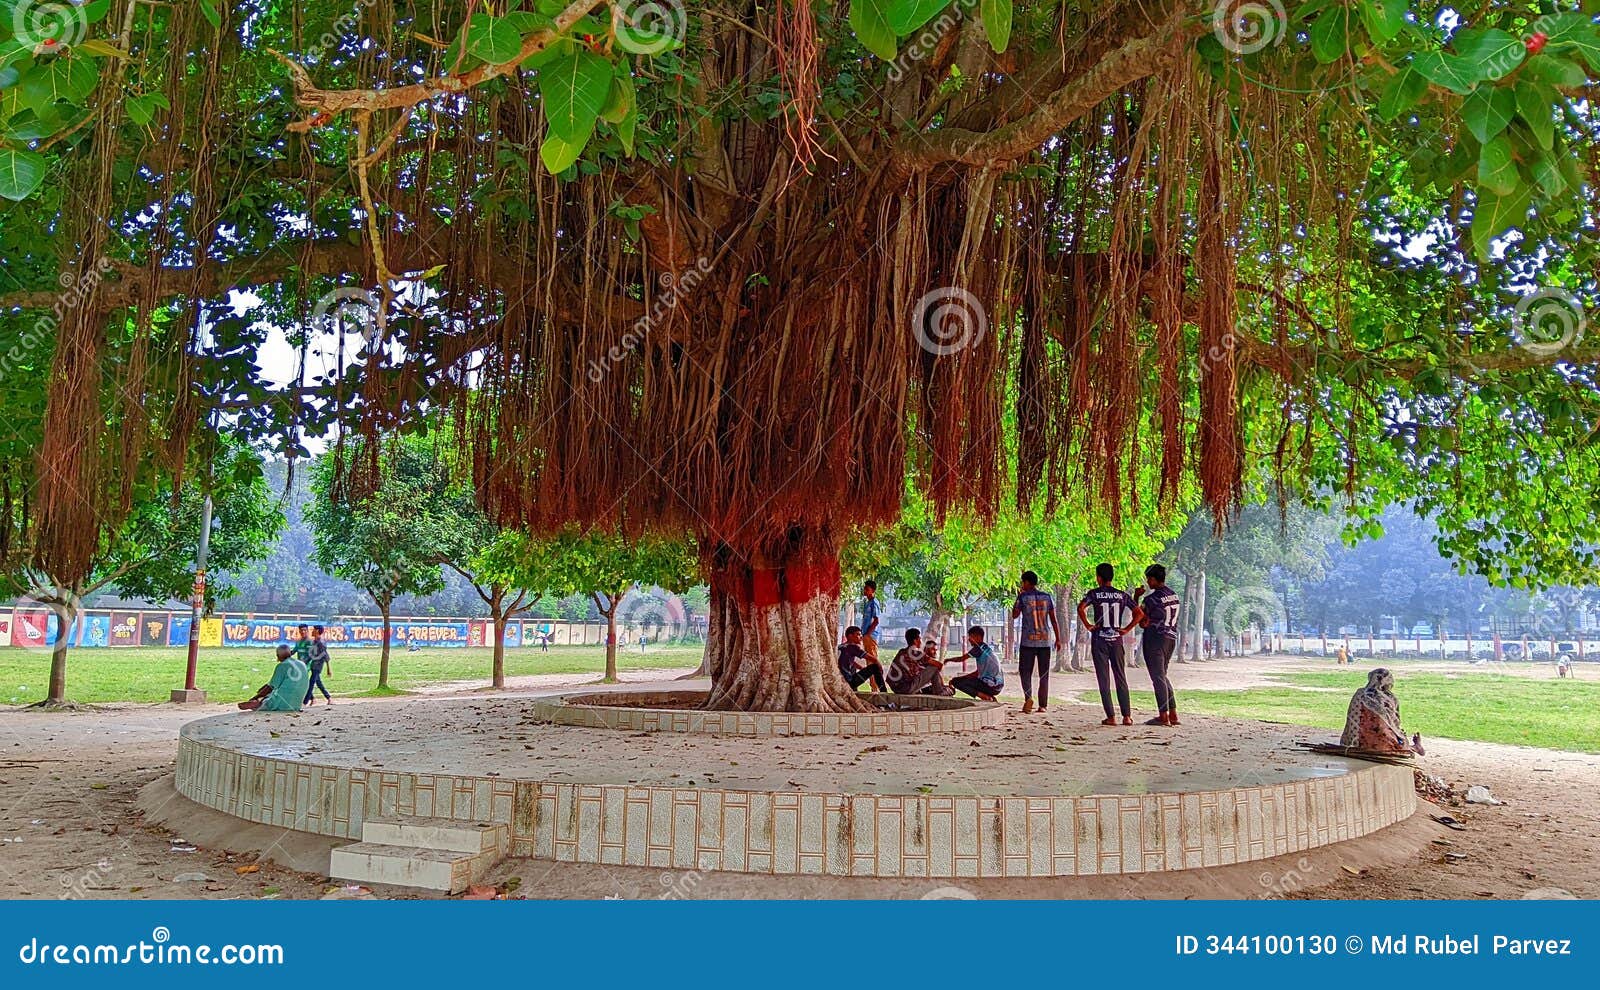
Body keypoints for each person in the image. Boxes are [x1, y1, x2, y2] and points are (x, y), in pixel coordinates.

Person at [1078, 562, 1139, 726]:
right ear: (1111, 577)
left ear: (1098, 577)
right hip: (1116, 640)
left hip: (1100, 640)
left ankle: (1111, 716)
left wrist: (1088, 625)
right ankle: (1127, 716)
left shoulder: (1094, 594)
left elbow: (1081, 607)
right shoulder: (1122, 595)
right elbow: (1138, 613)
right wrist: (1126, 629)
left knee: (1103, 679)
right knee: (1120, 677)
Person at [1134, 564, 1180, 726]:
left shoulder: (1151, 599)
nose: (1147, 582)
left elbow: (1141, 620)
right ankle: (1173, 713)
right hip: (1171, 638)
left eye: (1149, 579)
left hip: (1155, 639)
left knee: (1158, 677)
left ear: (1153, 579)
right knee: (1163, 675)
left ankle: (1163, 715)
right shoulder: (1173, 595)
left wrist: (1136, 597)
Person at [1340, 668, 1424, 755]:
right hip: (1383, 746)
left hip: (1355, 744)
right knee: (1399, 741)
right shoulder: (1389, 698)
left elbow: (1352, 717)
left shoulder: (1360, 693)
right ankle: (1415, 747)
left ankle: (1412, 746)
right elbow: (1395, 723)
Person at [1010, 570, 1060, 714]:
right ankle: (1043, 706)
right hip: (1045, 641)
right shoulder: (1047, 597)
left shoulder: (1023, 597)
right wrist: (1058, 638)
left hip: (1028, 641)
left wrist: (1018, 597)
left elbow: (1014, 615)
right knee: (1044, 674)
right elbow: (1053, 619)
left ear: (1026, 582)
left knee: (1025, 672)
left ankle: (1028, 698)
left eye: (1022, 582)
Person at [238, 645, 308, 712]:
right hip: (297, 704)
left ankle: (258, 704)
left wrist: (255, 697)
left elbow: (270, 687)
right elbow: (274, 684)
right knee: (270, 692)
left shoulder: (282, 665)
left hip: (283, 705)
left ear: (278, 656)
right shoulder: (302, 664)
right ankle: (261, 701)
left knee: (266, 699)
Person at [887, 627, 951, 696]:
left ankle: (936, 689)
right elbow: (939, 665)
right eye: (919, 639)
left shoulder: (902, 652)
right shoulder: (917, 654)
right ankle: (940, 692)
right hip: (906, 688)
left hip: (895, 688)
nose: (921, 641)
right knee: (934, 668)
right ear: (915, 641)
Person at [949, 626, 1003, 702]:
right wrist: (963, 678)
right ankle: (989, 696)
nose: (969, 640)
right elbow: (977, 673)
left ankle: (985, 697)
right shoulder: (986, 648)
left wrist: (947, 660)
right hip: (998, 686)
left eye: (971, 637)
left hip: (991, 685)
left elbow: (961, 659)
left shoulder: (978, 649)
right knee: (960, 680)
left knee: (956, 682)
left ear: (978, 637)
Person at [836, 625, 887, 692]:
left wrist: (861, 668)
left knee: (852, 669)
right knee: (874, 667)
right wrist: (880, 667)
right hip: (849, 682)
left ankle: (854, 691)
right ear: (850, 636)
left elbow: (849, 661)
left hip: (839, 680)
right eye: (858, 634)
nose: (861, 637)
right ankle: (884, 692)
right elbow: (874, 659)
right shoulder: (852, 647)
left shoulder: (841, 646)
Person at [303, 624, 333, 706]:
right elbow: (311, 655)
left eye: (313, 630)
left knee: (311, 683)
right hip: (313, 665)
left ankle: (305, 702)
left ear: (317, 631)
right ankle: (329, 698)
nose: (312, 631)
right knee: (318, 683)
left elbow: (325, 655)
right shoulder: (314, 642)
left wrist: (328, 668)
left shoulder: (321, 643)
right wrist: (304, 662)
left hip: (318, 666)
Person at [860, 580, 882, 668]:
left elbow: (876, 620)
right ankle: (873, 681)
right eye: (864, 589)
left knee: (872, 660)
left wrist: (868, 634)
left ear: (873, 591)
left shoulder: (874, 603)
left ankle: (875, 681)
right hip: (866, 634)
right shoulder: (867, 603)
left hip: (871, 635)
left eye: (867, 589)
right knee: (869, 661)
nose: (865, 591)